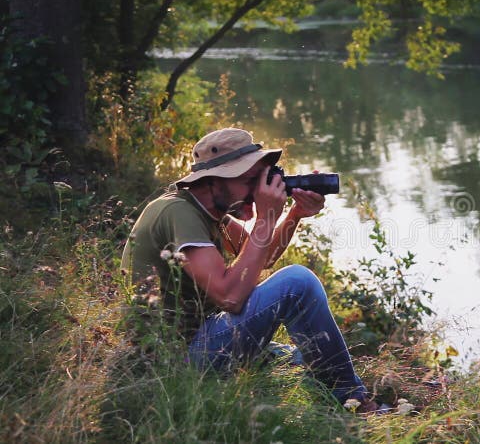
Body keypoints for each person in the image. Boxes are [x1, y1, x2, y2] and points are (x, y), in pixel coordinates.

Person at [121, 128, 375, 411]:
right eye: (250, 181)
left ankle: (338, 399)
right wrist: (266, 216)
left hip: (201, 338)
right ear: (213, 181)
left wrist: (294, 215)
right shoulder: (177, 212)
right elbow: (230, 297)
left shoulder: (210, 213)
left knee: (313, 358)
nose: (257, 192)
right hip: (170, 359)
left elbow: (261, 258)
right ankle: (355, 402)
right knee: (298, 281)